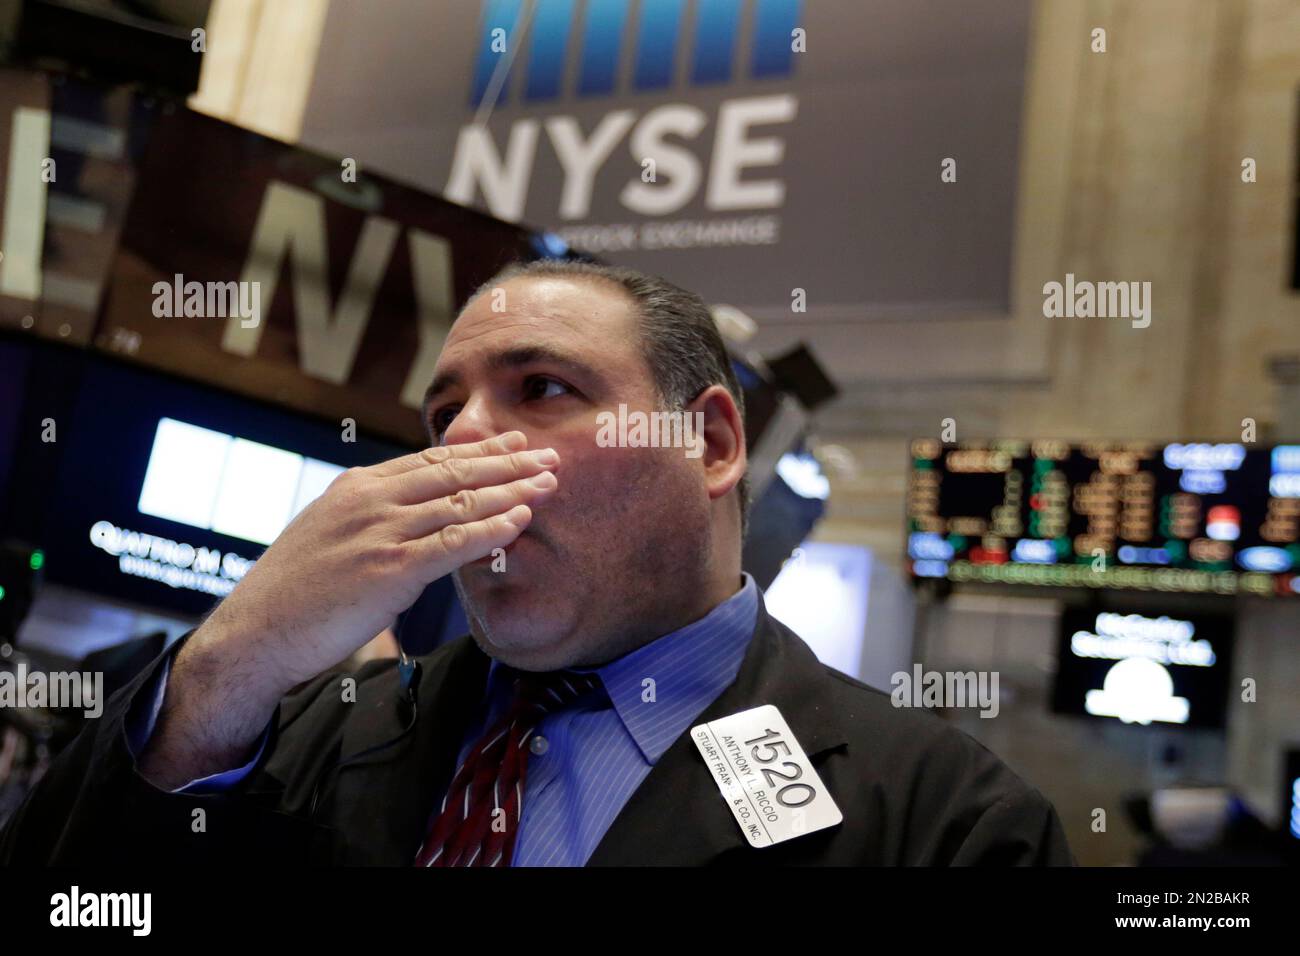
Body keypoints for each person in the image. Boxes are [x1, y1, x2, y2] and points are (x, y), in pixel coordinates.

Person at [0, 261, 1073, 866]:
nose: (460, 438)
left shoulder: (949, 822)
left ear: (706, 443)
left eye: (542, 387)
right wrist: (229, 660)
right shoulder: (313, 729)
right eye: (442, 409)